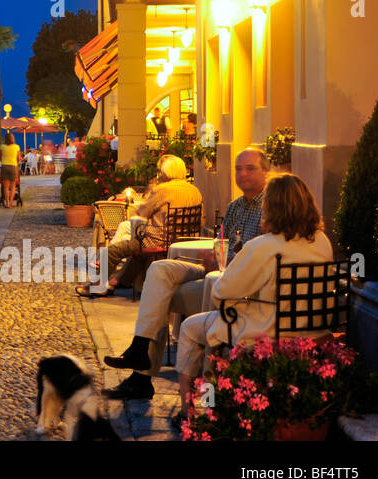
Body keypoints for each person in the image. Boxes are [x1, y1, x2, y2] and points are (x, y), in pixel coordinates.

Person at [101, 148, 270, 400]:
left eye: (250, 168)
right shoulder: (234, 206)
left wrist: (223, 259)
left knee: (158, 297)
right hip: (216, 268)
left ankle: (141, 376)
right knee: (160, 270)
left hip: (234, 283)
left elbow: (257, 257)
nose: (242, 173)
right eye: (238, 168)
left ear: (266, 171)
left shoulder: (271, 206)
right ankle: (139, 347)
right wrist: (216, 255)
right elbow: (220, 241)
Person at [172, 173, 334, 417]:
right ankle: (212, 400)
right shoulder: (322, 241)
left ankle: (190, 411)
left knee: (189, 328)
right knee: (215, 326)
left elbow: (221, 292)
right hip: (312, 329)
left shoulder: (263, 246)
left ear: (270, 208)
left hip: (265, 331)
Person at [76, 154, 202, 297]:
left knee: (112, 251)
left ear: (166, 173)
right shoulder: (195, 191)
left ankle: (99, 286)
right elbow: (201, 219)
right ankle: (117, 281)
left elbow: (140, 214)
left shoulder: (163, 190)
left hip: (158, 240)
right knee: (136, 252)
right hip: (185, 240)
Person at [0, 132, 20, 207]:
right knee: (13, 186)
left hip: (4, 166)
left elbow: (0, 157)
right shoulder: (16, 147)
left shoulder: (2, 146)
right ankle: (11, 202)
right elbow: (18, 158)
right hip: (13, 166)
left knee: (6, 187)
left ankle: (7, 203)